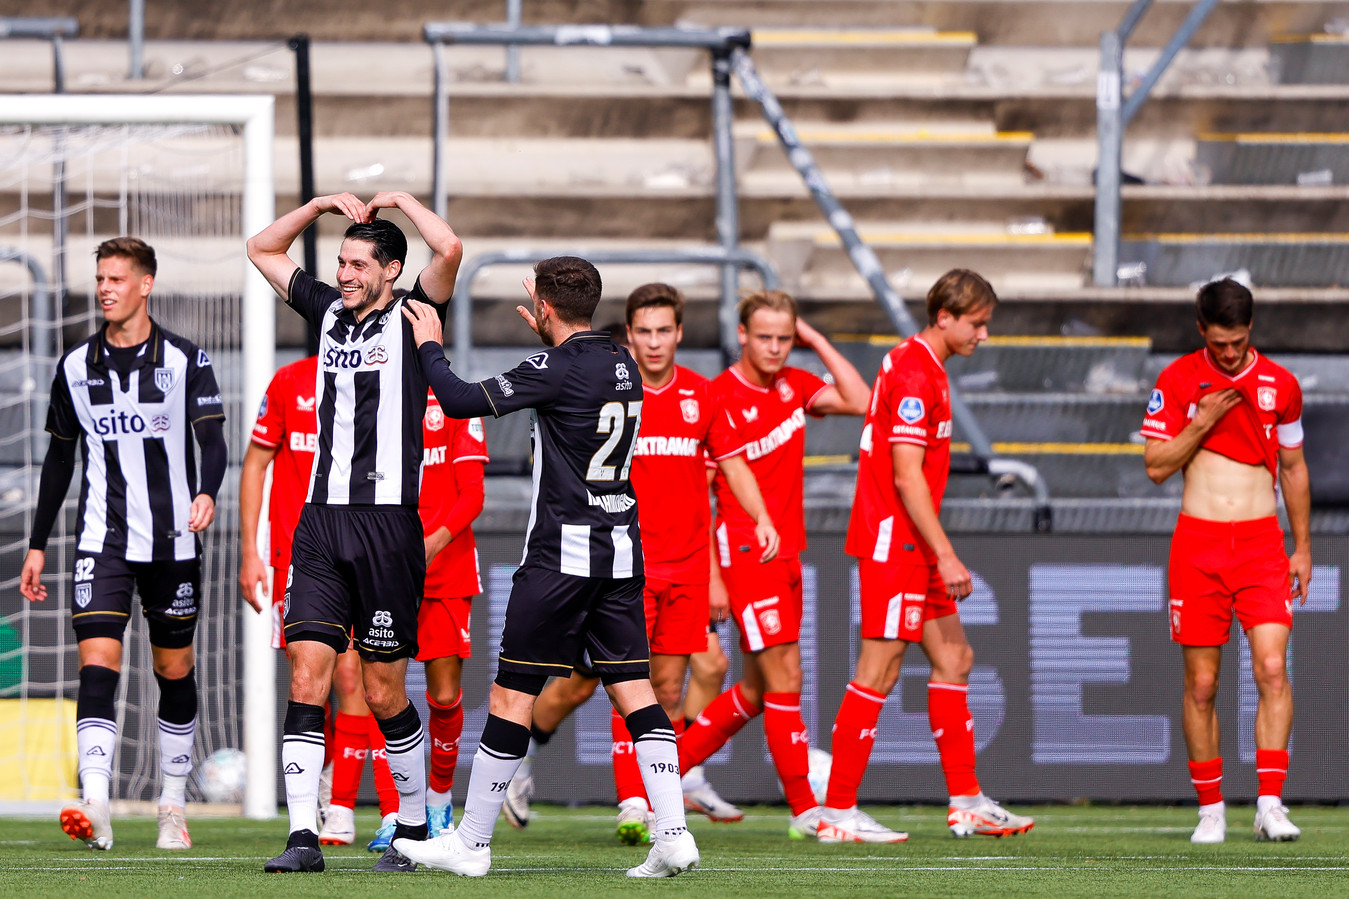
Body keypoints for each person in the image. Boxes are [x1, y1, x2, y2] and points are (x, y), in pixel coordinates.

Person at [394, 256, 699, 878]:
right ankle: (672, 835)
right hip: (620, 553)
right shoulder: (622, 362)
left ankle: (472, 843)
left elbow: (456, 400)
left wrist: (430, 344)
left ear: (547, 309)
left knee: (512, 696)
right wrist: (550, 318)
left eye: (536, 302)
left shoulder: (556, 367)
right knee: (637, 693)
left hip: (561, 558)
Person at [246, 190, 463, 873]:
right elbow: (261, 248)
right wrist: (313, 208)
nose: (344, 273)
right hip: (318, 525)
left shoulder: (414, 313)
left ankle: (407, 826)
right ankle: (303, 835)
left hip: (387, 527)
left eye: (359, 263)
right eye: (340, 261)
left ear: (391, 270)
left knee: (381, 690)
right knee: (307, 673)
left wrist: (401, 201)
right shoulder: (325, 312)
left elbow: (450, 248)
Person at [20, 237, 228, 851]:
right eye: (101, 278)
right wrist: (37, 543)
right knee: (97, 663)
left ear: (146, 285)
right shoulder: (76, 367)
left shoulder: (187, 360)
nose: (106, 288)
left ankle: (170, 805)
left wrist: (208, 491)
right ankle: (97, 801)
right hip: (100, 541)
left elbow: (211, 439)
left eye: (118, 278)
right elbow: (59, 459)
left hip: (171, 541)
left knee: (174, 668)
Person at [818, 269, 1033, 844]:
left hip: (911, 543)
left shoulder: (918, 364)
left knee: (955, 658)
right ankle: (837, 812)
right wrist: (945, 555)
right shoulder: (916, 374)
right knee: (878, 671)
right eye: (977, 323)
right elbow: (907, 475)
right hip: (898, 543)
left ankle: (966, 802)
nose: (983, 335)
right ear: (945, 317)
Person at [674, 289, 871, 839]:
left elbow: (860, 399)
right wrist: (712, 574)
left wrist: (815, 339)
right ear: (741, 335)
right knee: (787, 679)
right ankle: (809, 812)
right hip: (742, 552)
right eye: (765, 336)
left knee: (760, 690)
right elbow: (701, 492)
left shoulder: (795, 386)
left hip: (785, 553)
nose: (776, 347)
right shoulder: (717, 396)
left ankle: (660, 783)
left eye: (786, 338)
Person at [1141, 277, 1310, 844]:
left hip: (1262, 544)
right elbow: (1157, 465)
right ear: (1201, 332)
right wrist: (1201, 420)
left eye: (1238, 342)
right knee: (1203, 684)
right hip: (1199, 545)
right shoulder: (1179, 379)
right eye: (1219, 344)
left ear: (1250, 330)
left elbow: (1293, 467)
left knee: (1270, 668)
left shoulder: (1281, 384)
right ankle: (1211, 808)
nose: (1230, 353)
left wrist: (1302, 546)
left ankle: (1269, 803)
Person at [236, 354, 402, 850]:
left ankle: (361, 809)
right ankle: (324, 799)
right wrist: (251, 550)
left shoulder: (384, 377)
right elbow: (256, 460)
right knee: (310, 679)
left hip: (359, 550)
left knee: (359, 678)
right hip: (296, 557)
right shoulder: (291, 381)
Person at [416, 388, 489, 839]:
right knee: (374, 690)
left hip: (445, 571)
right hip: (380, 567)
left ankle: (438, 802)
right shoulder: (371, 389)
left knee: (444, 696)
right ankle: (395, 812)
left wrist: (429, 546)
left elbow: (474, 495)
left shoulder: (454, 400)